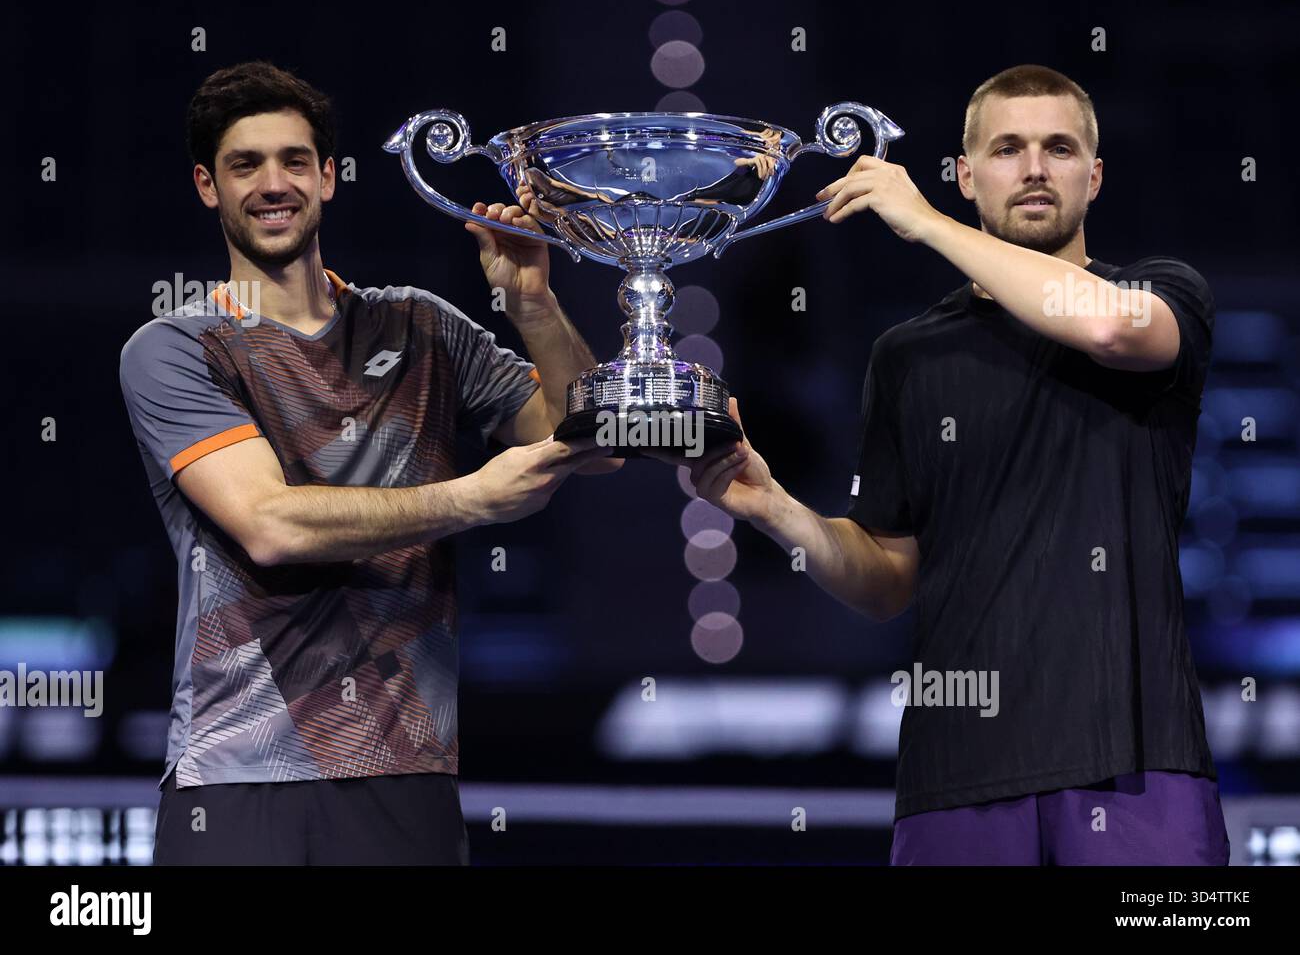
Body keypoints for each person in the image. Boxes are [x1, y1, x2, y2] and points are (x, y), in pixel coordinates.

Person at [676, 64, 1228, 865]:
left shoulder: (1161, 294)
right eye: (1008, 149)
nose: (1035, 168)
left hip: (1140, 767)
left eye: (1059, 148)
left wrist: (925, 222)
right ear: (968, 174)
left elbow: (1106, 329)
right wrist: (774, 509)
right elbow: (886, 580)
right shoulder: (908, 356)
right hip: (953, 779)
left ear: (1095, 177)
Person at [119, 61, 615, 864]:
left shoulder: (424, 327)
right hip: (238, 780)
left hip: (409, 778)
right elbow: (271, 524)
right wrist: (474, 498)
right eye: (246, 165)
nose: (273, 184)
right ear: (208, 186)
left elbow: (588, 448)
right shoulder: (176, 349)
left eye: (294, 161)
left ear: (329, 178)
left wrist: (533, 304)